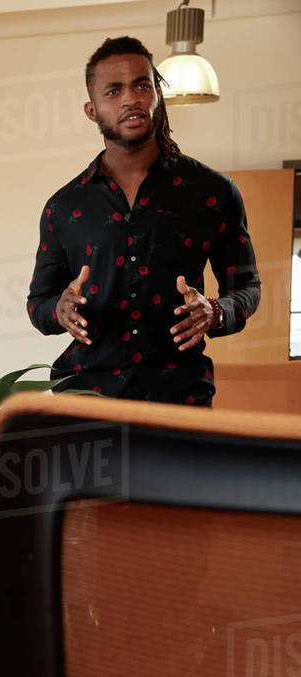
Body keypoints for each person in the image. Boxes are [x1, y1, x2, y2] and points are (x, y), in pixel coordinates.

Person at [27, 36, 260, 406]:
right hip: (86, 400)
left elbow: (247, 287)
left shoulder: (213, 192)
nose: (130, 99)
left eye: (141, 85)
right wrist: (59, 309)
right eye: (114, 90)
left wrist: (214, 312)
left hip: (179, 399)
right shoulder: (63, 207)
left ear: (157, 95)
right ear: (92, 110)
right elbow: (37, 304)